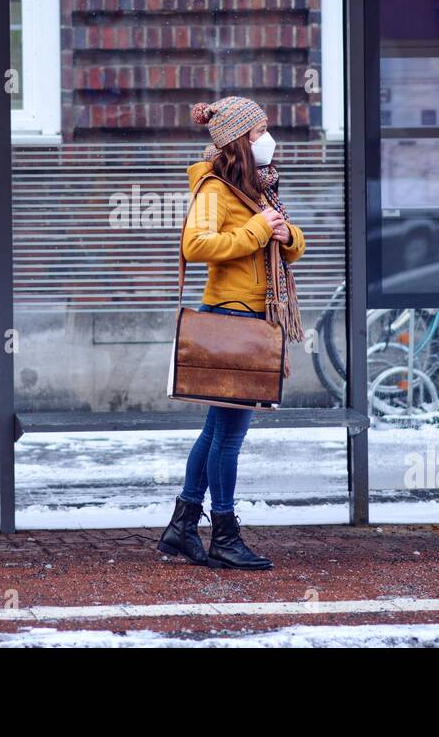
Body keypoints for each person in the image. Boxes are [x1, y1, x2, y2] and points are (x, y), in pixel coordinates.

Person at [156, 95, 306, 570]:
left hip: (258, 317)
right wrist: (260, 232)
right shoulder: (216, 190)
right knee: (229, 437)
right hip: (232, 318)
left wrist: (287, 236)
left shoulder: (259, 188)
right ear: (241, 140)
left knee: (215, 430)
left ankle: (182, 527)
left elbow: (287, 244)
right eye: (259, 131)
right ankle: (223, 533)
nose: (267, 139)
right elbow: (195, 244)